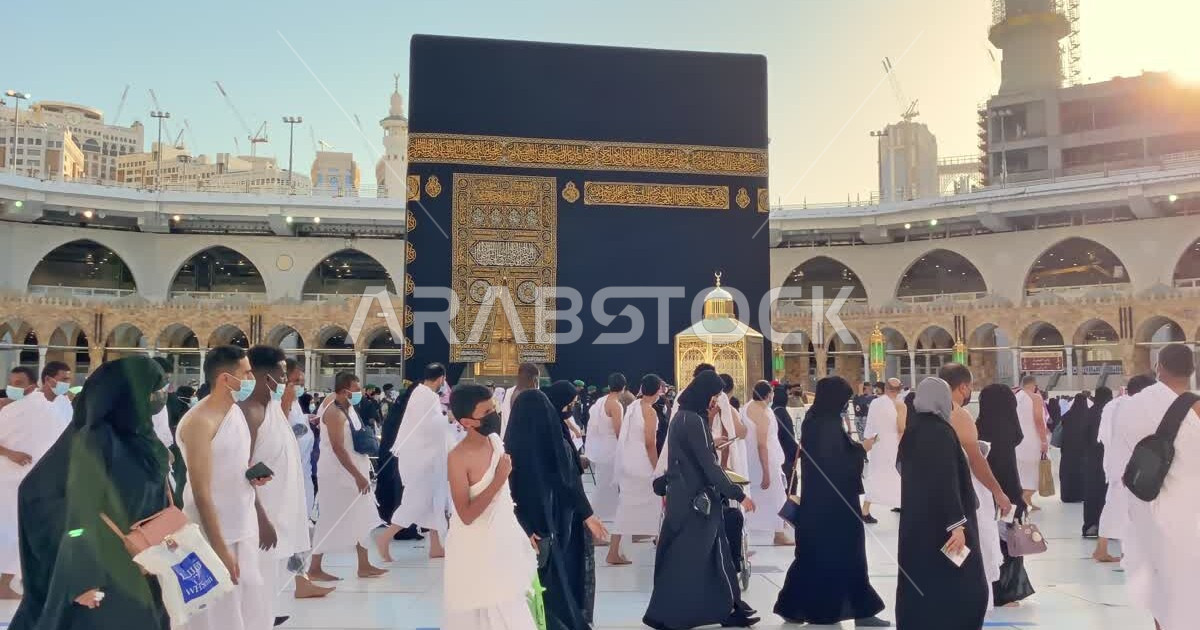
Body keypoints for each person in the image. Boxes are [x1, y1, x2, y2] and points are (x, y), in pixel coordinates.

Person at [9, 357, 170, 629]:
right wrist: (82, 577)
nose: (160, 397)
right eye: (153, 389)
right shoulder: (96, 440)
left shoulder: (143, 437)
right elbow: (79, 512)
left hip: (143, 564)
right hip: (101, 572)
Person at [644, 370, 759, 630]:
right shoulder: (694, 421)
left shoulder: (681, 418)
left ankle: (674, 612)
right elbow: (710, 467)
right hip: (699, 504)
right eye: (714, 396)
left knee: (689, 559)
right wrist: (739, 495)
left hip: (681, 500)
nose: (715, 402)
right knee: (709, 558)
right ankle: (725, 610)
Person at [773, 376, 888, 627]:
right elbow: (835, 464)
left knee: (815, 556)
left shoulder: (816, 420)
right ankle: (849, 611)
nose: (846, 405)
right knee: (839, 555)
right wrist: (863, 449)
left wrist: (855, 449)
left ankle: (799, 608)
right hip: (834, 507)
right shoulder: (827, 424)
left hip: (821, 504)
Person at [176, 346, 272, 630]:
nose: (251, 379)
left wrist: (251, 476)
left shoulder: (235, 412)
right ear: (225, 379)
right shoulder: (199, 422)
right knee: (216, 616)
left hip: (242, 524)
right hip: (211, 534)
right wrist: (219, 551)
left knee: (248, 606)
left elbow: (232, 465)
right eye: (246, 373)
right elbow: (201, 492)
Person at [505, 382, 608, 630]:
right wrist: (587, 514)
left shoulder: (510, 447)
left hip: (533, 525)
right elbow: (563, 480)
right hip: (544, 524)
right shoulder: (543, 444)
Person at [1113, 344, 1200, 630]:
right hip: (1193, 511)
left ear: (1158, 367)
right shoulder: (1197, 408)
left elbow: (1122, 462)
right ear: (1192, 371)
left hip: (1148, 510)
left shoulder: (1133, 405)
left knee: (1162, 588)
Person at [243, 347, 334, 617]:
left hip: (282, 500)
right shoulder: (250, 412)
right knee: (257, 573)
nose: (287, 383)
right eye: (283, 377)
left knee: (271, 572)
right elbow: (242, 468)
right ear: (264, 375)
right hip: (262, 511)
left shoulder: (270, 408)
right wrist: (260, 517)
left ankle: (268, 612)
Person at [896, 376, 988, 630]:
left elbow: (908, 471)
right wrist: (956, 525)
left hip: (918, 523)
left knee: (922, 578)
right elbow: (946, 480)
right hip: (945, 524)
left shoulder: (914, 430)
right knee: (964, 583)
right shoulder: (940, 432)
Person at [443, 384, 537, 630]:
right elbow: (466, 514)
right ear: (467, 421)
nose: (493, 416)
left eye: (493, 409)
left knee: (511, 609)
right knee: (477, 614)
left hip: (503, 539)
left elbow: (504, 501)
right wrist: (498, 478)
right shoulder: (458, 457)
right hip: (474, 546)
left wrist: (521, 532)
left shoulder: (495, 440)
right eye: (486, 412)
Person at [938, 364, 1007, 612]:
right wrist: (998, 491)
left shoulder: (922, 414)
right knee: (977, 542)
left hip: (938, 491)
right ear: (964, 387)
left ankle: (953, 594)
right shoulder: (958, 414)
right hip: (967, 490)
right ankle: (976, 600)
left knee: (950, 542)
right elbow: (976, 460)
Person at [1, 364, 73, 600]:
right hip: (6, 478)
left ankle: (11, 581)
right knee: (7, 529)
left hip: (33, 480)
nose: (13, 388)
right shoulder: (8, 409)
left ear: (33, 384)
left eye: (19, 383)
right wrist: (10, 453)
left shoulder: (53, 407)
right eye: (11, 383)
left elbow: (60, 441)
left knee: (21, 530)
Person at [308, 372, 387, 582]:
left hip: (355, 467)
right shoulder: (334, 411)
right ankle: (314, 566)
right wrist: (357, 476)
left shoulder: (346, 406)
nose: (360, 393)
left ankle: (364, 564)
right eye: (356, 389)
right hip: (339, 473)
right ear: (344, 391)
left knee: (361, 513)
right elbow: (338, 449)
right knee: (331, 516)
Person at [376, 363, 451, 560]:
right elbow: (431, 426)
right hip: (422, 461)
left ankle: (435, 547)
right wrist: (449, 419)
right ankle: (385, 538)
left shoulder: (421, 393)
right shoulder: (426, 396)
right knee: (415, 502)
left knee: (433, 502)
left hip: (426, 458)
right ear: (441, 378)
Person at [975, 384, 1034, 607]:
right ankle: (1007, 591)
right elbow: (1009, 461)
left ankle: (993, 587)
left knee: (991, 541)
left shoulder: (978, 426)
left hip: (985, 491)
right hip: (1007, 489)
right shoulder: (1009, 429)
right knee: (1010, 541)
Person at [1094, 374, 1155, 563]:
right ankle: (1109, 551)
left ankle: (1107, 549)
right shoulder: (1136, 406)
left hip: (1114, 461)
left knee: (1115, 506)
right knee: (1126, 508)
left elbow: (1103, 436)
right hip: (1129, 464)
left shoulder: (1113, 405)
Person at [608, 374, 663, 565]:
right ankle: (660, 543)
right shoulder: (650, 411)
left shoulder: (633, 406)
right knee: (656, 503)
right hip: (642, 464)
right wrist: (657, 468)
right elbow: (650, 443)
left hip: (628, 462)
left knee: (626, 506)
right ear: (658, 391)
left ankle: (615, 550)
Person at [743, 380, 790, 545]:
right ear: (768, 395)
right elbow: (762, 445)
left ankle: (747, 532)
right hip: (765, 461)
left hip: (750, 461)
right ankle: (779, 534)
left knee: (753, 496)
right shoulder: (761, 414)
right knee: (777, 496)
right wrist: (766, 473)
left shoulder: (748, 407)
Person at [861, 378, 905, 524]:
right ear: (899, 390)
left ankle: (865, 510)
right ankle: (902, 505)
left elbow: (870, 425)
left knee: (876, 475)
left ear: (886, 388)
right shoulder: (900, 405)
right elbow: (901, 428)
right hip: (894, 444)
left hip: (878, 443)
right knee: (898, 474)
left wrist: (868, 441)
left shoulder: (875, 402)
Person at [586, 373, 624, 525]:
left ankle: (600, 516)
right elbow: (618, 431)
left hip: (600, 448)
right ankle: (601, 518)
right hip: (611, 450)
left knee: (603, 484)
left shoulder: (600, 402)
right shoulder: (616, 405)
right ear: (623, 387)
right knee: (608, 485)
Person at [1081, 386, 1114, 538]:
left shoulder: (1087, 413)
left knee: (1091, 492)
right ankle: (1107, 527)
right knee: (1107, 493)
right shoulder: (1111, 413)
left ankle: (1090, 525)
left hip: (1090, 460)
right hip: (1108, 459)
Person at [1014, 376, 1049, 510]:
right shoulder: (1035, 398)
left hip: (1018, 441)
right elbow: (1038, 420)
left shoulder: (1016, 398)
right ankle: (1025, 498)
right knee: (1038, 472)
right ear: (1034, 385)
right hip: (1033, 440)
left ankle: (1026, 500)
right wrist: (1044, 440)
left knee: (1022, 473)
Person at [1058, 392, 1091, 503]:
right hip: (1083, 452)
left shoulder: (1067, 416)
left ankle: (1067, 496)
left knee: (1068, 473)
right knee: (1082, 472)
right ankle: (1081, 495)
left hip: (1068, 451)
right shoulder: (1088, 415)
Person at [772, 384, 799, 496]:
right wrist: (796, 452)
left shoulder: (771, 411)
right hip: (785, 457)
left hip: (774, 456)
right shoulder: (783, 413)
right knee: (789, 488)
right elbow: (788, 437)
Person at [499, 362, 539, 437]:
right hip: (522, 442)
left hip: (506, 440)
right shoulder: (532, 395)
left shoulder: (508, 392)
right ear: (535, 379)